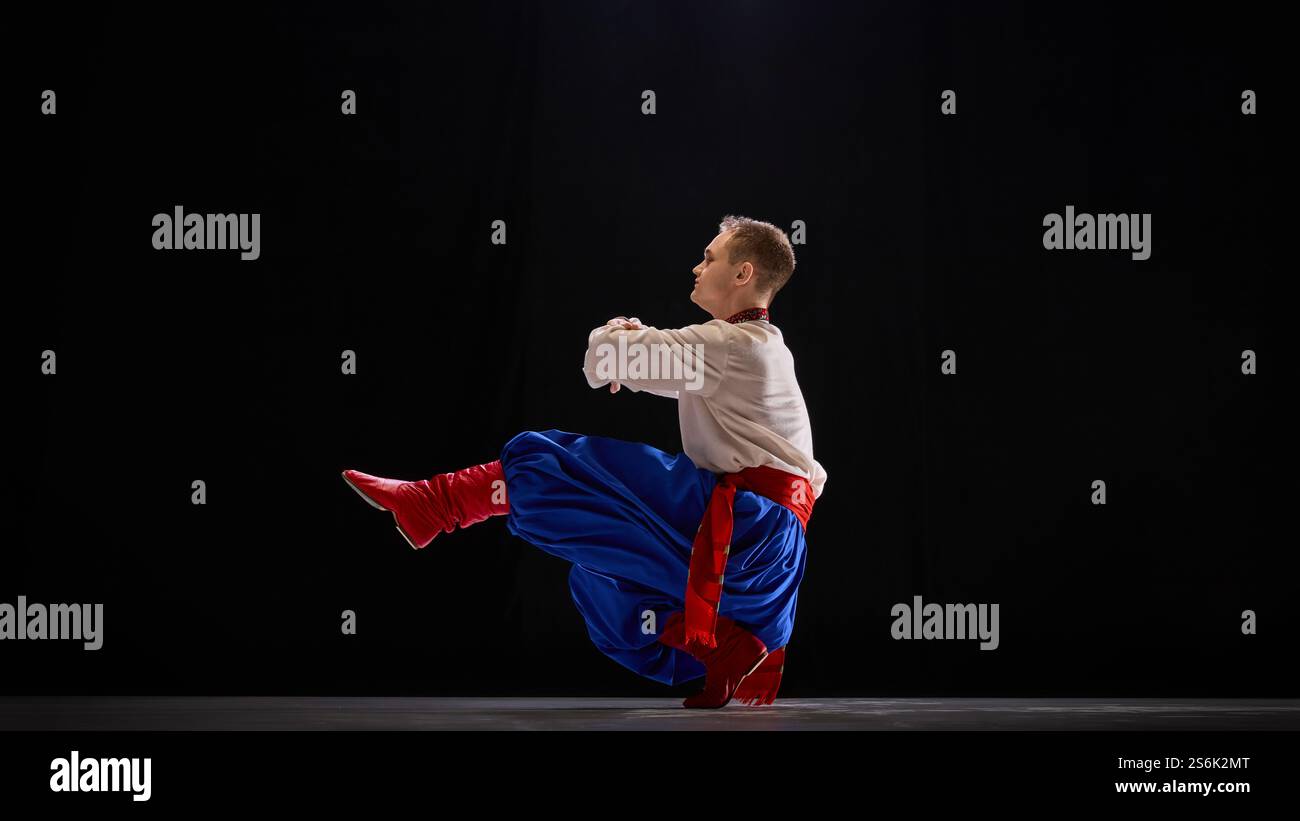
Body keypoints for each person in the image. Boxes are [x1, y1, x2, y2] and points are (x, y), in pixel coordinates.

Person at [342, 215, 827, 708]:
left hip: (742, 528)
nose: (696, 267)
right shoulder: (757, 349)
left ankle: (435, 504)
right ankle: (725, 642)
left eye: (709, 258)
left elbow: (603, 358)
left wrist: (621, 333)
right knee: (601, 579)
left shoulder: (730, 345)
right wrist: (635, 357)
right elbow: (643, 368)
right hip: (770, 563)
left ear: (743, 275)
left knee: (564, 464)